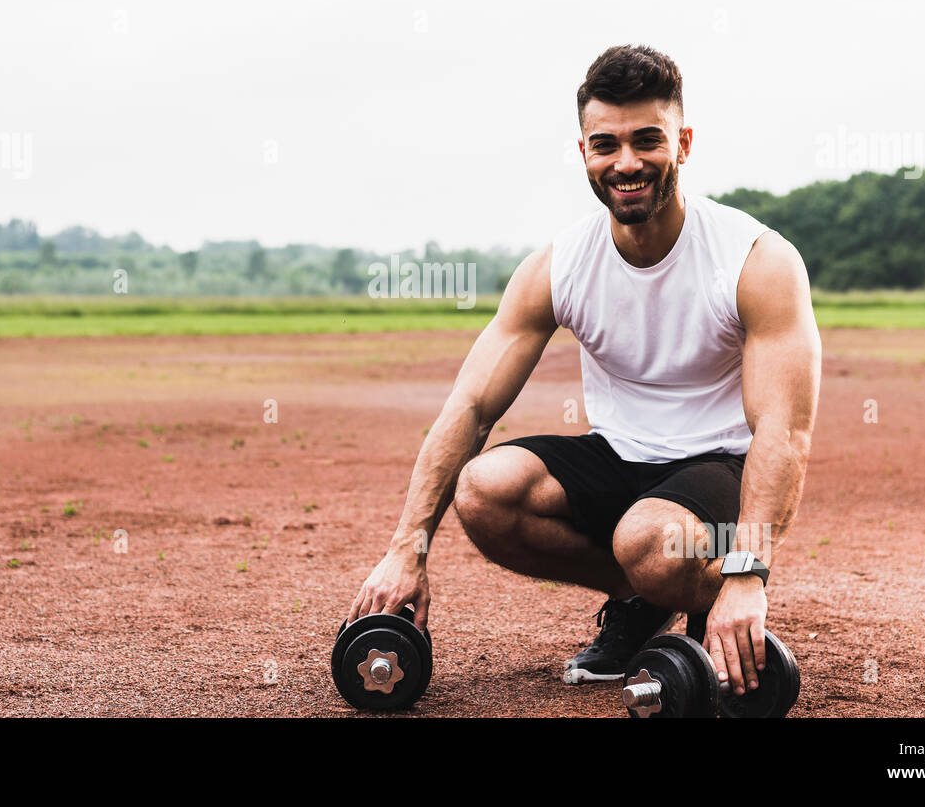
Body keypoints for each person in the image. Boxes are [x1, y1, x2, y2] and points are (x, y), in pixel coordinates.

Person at [347, 44, 821, 698]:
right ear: (584, 154)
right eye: (606, 144)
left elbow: (784, 432)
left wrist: (747, 572)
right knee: (484, 489)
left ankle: (711, 597)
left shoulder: (756, 260)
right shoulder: (561, 265)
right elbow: (472, 406)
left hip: (723, 472)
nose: (626, 162)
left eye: (647, 140)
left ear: (683, 143)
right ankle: (640, 599)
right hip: (621, 459)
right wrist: (408, 546)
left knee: (652, 539)